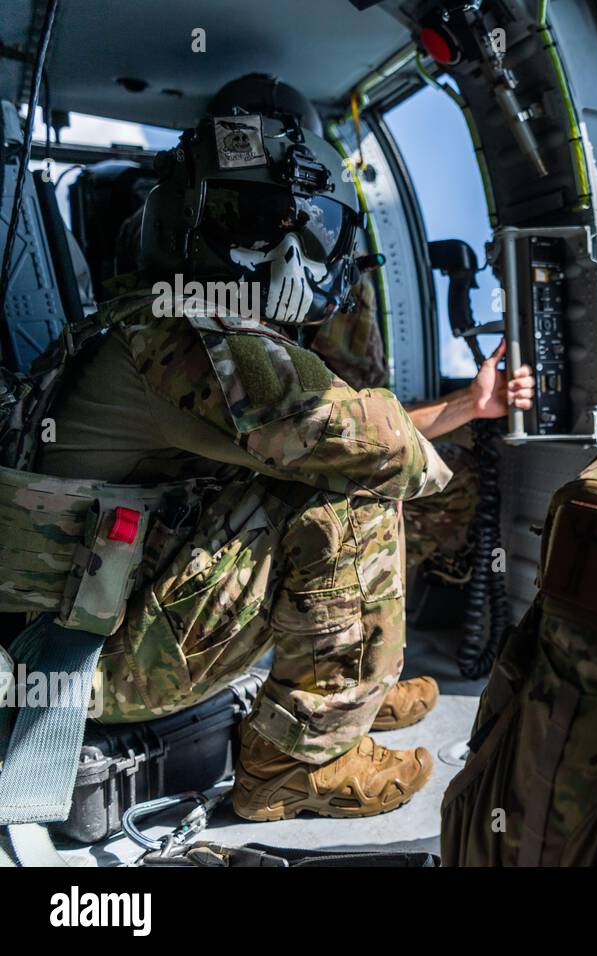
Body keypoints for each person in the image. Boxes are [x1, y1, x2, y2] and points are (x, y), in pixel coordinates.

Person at [31, 111, 533, 821]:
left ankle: (349, 689)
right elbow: (369, 447)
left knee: (321, 476)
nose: (295, 251)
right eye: (264, 218)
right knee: (348, 502)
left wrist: (467, 407)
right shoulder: (192, 340)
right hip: (99, 665)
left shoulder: (148, 321)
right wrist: (430, 433)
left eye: (308, 227)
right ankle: (298, 764)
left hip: (92, 623)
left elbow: (328, 429)